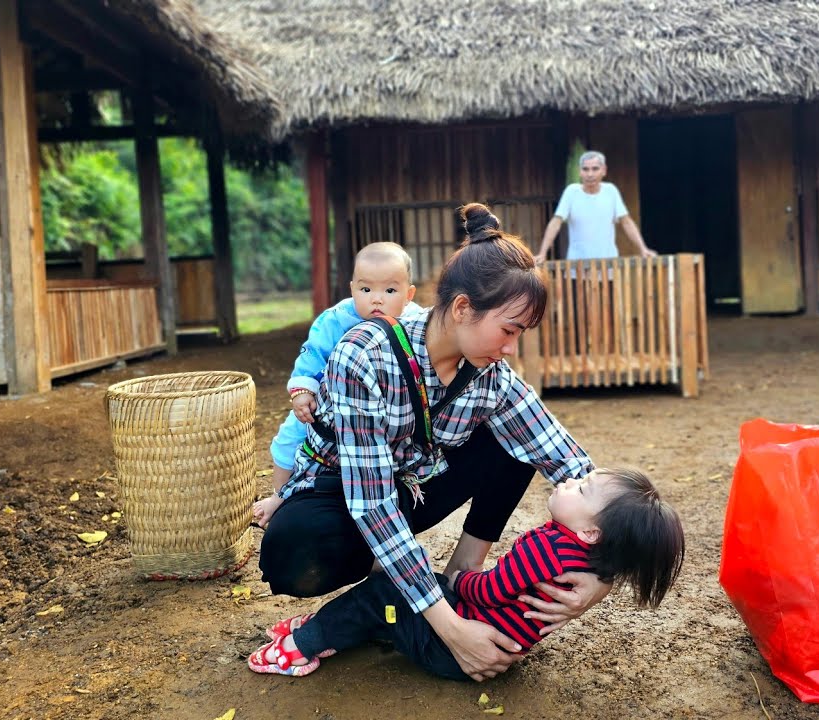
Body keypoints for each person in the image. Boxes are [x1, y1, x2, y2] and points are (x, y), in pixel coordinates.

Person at [257, 203, 613, 682]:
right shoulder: (364, 355)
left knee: (516, 439)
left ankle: (459, 577)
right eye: (508, 330)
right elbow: (372, 503)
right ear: (463, 308)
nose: (511, 348)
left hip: (413, 489)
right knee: (294, 548)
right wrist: (452, 629)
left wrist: (604, 574)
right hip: (345, 494)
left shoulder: (491, 376)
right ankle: (410, 591)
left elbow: (571, 463)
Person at [247, 467, 685, 678]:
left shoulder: (548, 550)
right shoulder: (586, 557)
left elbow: (490, 591)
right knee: (411, 593)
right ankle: (334, 628)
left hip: (459, 647)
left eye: (581, 488)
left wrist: (460, 580)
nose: (569, 481)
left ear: (590, 532)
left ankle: (304, 644)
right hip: (487, 631)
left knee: (385, 592)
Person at [253, 242, 422, 528]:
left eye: (390, 291)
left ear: (409, 294)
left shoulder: (415, 321)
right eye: (365, 289)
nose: (376, 299)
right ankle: (280, 495)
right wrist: (303, 391)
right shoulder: (336, 320)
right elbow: (312, 355)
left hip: (388, 411)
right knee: (289, 436)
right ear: (352, 289)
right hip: (330, 408)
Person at [533, 150, 655, 263]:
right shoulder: (571, 192)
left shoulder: (611, 191)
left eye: (595, 169)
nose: (590, 174)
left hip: (608, 264)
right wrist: (543, 253)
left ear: (604, 170)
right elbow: (556, 222)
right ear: (580, 171)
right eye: (585, 169)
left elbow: (626, 222)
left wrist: (642, 249)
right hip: (577, 265)